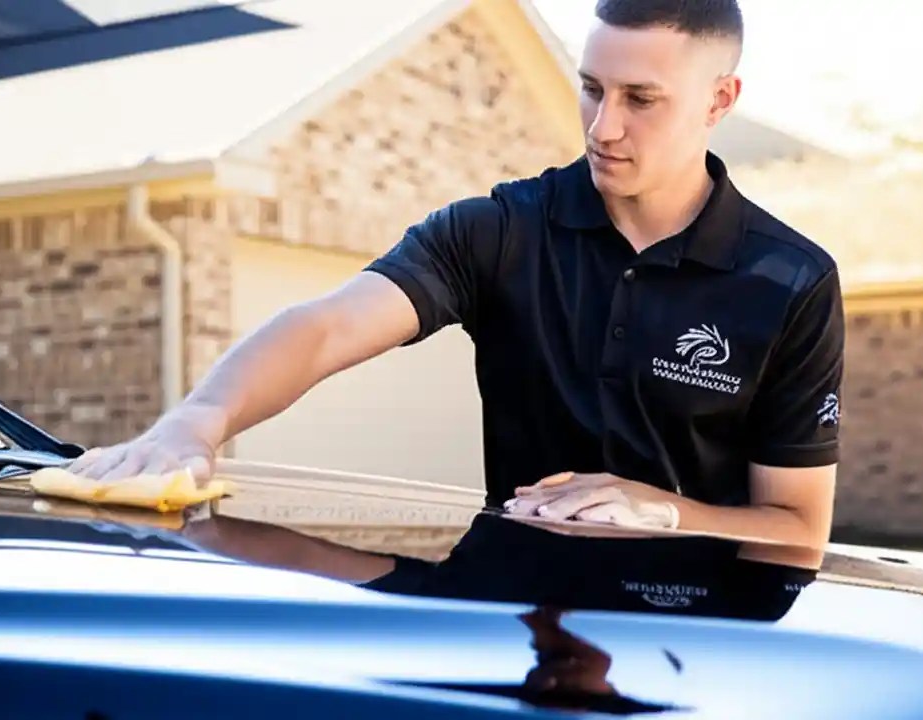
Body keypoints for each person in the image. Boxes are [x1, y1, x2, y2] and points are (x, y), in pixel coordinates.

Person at [67, 0, 843, 577]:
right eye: (590, 89)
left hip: (706, 648)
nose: (603, 127)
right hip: (498, 624)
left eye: (641, 99)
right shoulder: (501, 230)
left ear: (720, 100)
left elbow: (798, 529)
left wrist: (662, 512)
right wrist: (199, 420)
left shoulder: (790, 280)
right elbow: (329, 326)